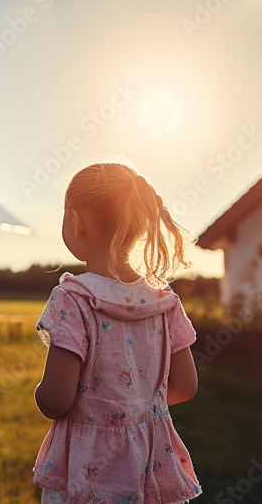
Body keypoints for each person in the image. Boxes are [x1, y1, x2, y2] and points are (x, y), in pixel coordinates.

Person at [32, 162, 202, 504]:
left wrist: (40, 394)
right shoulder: (163, 300)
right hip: (153, 465)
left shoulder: (74, 298)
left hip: (92, 473)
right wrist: (134, 408)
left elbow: (55, 400)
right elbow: (186, 386)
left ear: (76, 222)